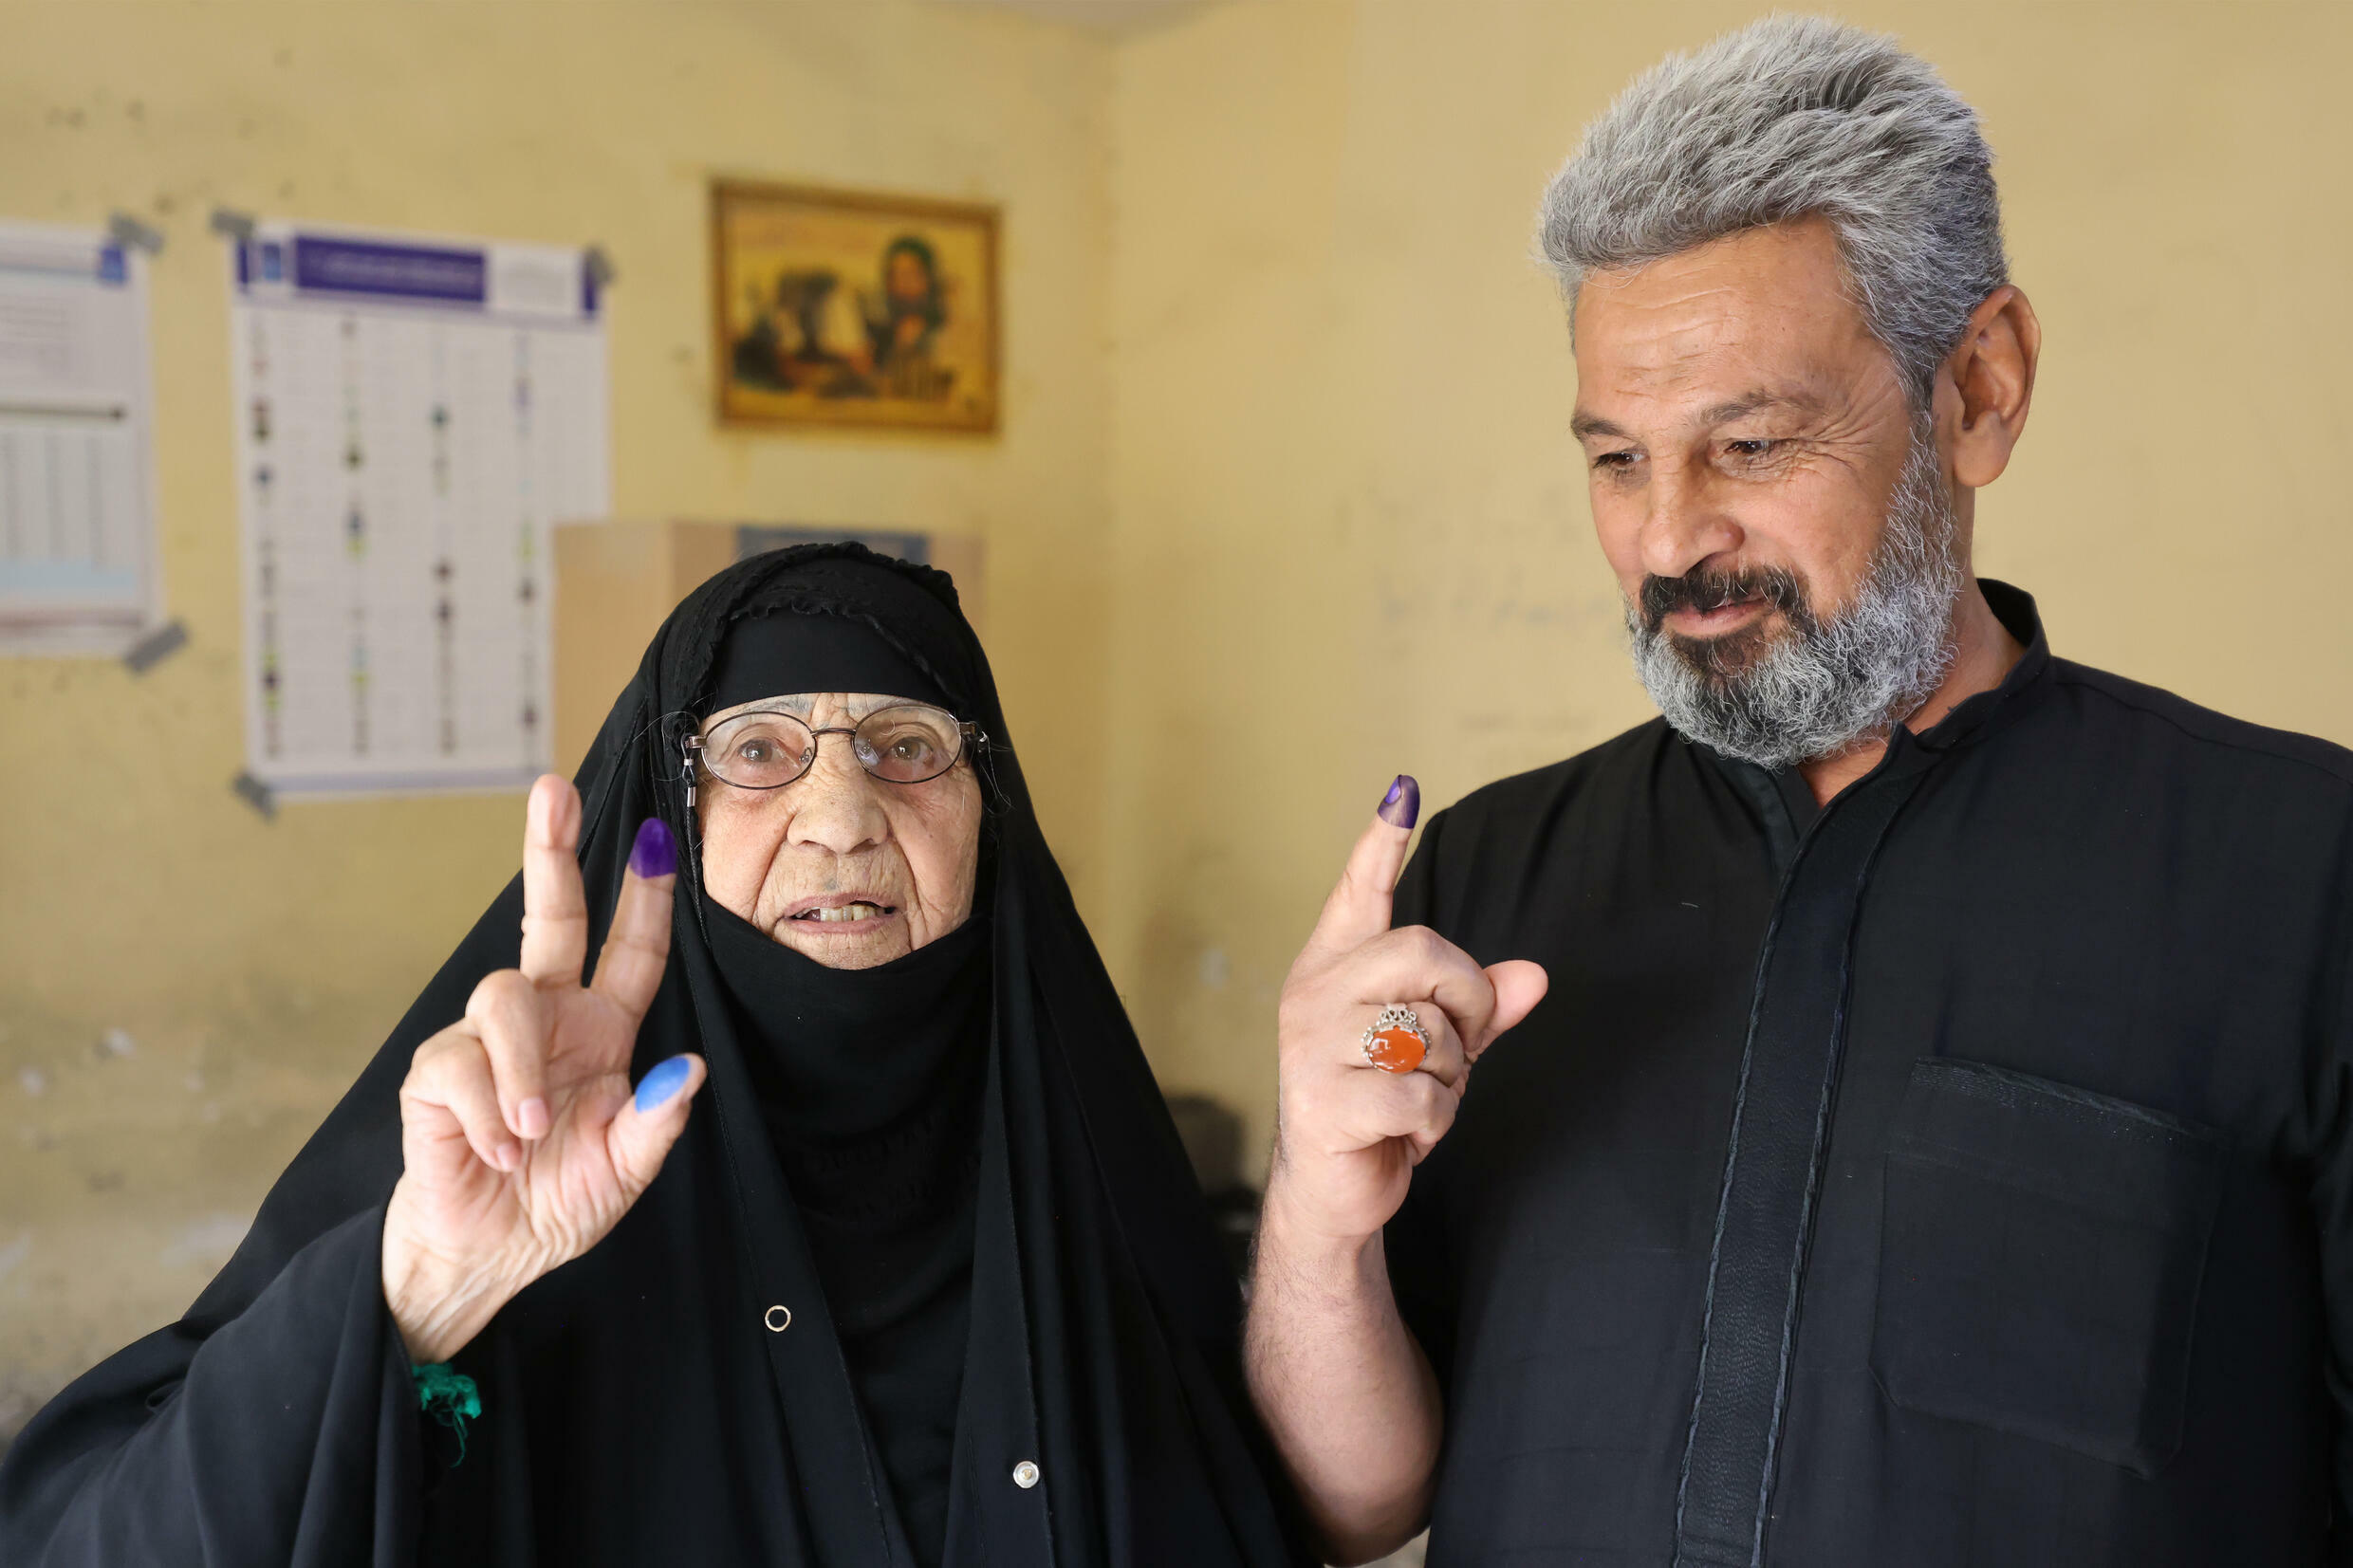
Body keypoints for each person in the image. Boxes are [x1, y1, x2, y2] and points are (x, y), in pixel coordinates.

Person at [1248, 16, 2353, 1568]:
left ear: (1979, 388)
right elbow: (1356, 1507)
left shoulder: (2301, 877)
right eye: (1617, 459)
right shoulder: (1484, 887)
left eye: (1749, 442)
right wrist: (1312, 1212)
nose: (1669, 540)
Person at [1, 544, 1306, 1567]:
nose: (842, 818)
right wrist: (430, 1294)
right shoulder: (512, 1171)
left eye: (909, 749)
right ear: (666, 812)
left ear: (990, 814)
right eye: (756, 752)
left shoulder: (1095, 1203)